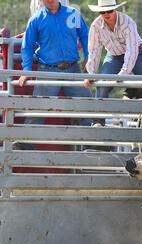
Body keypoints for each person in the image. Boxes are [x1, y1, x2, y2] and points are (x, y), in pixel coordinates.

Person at [16, 0, 96, 150]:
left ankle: (91, 143)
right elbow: (27, 47)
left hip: (73, 69)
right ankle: (25, 142)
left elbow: (85, 36)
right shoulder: (36, 20)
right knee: (39, 106)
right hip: (48, 70)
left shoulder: (73, 14)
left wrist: (88, 59)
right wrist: (26, 70)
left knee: (87, 104)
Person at [84, 0, 142, 124]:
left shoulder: (127, 22)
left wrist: (122, 74)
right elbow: (94, 50)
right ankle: (98, 122)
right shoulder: (96, 26)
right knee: (102, 86)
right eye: (102, 11)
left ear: (115, 10)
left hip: (137, 54)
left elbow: (132, 51)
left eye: (110, 10)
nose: (106, 14)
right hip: (113, 55)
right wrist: (91, 74)